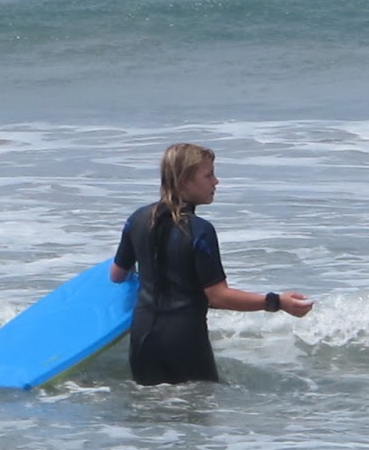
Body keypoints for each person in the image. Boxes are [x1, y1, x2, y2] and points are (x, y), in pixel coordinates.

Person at [108, 143, 313, 386]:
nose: (216, 182)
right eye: (208, 175)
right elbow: (218, 297)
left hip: (143, 341)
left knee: (150, 417)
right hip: (184, 343)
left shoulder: (138, 219)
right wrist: (277, 302)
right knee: (195, 419)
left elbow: (117, 274)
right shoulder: (199, 231)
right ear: (185, 181)